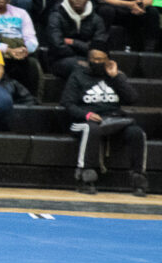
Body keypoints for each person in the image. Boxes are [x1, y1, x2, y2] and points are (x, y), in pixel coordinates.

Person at [62, 47, 148, 197]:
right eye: (94, 59)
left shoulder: (116, 77)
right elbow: (67, 103)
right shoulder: (78, 76)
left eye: (101, 59)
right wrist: (86, 114)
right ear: (88, 60)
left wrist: (115, 77)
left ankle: (138, 178)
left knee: (136, 132)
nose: (97, 62)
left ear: (108, 61)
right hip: (83, 120)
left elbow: (132, 98)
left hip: (113, 119)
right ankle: (85, 176)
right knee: (91, 129)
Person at [45, 0, 108, 81]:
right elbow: (57, 45)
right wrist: (83, 50)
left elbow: (98, 46)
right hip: (60, 60)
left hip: (90, 59)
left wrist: (73, 42)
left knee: (103, 66)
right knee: (79, 67)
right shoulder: (56, 16)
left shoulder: (96, 19)